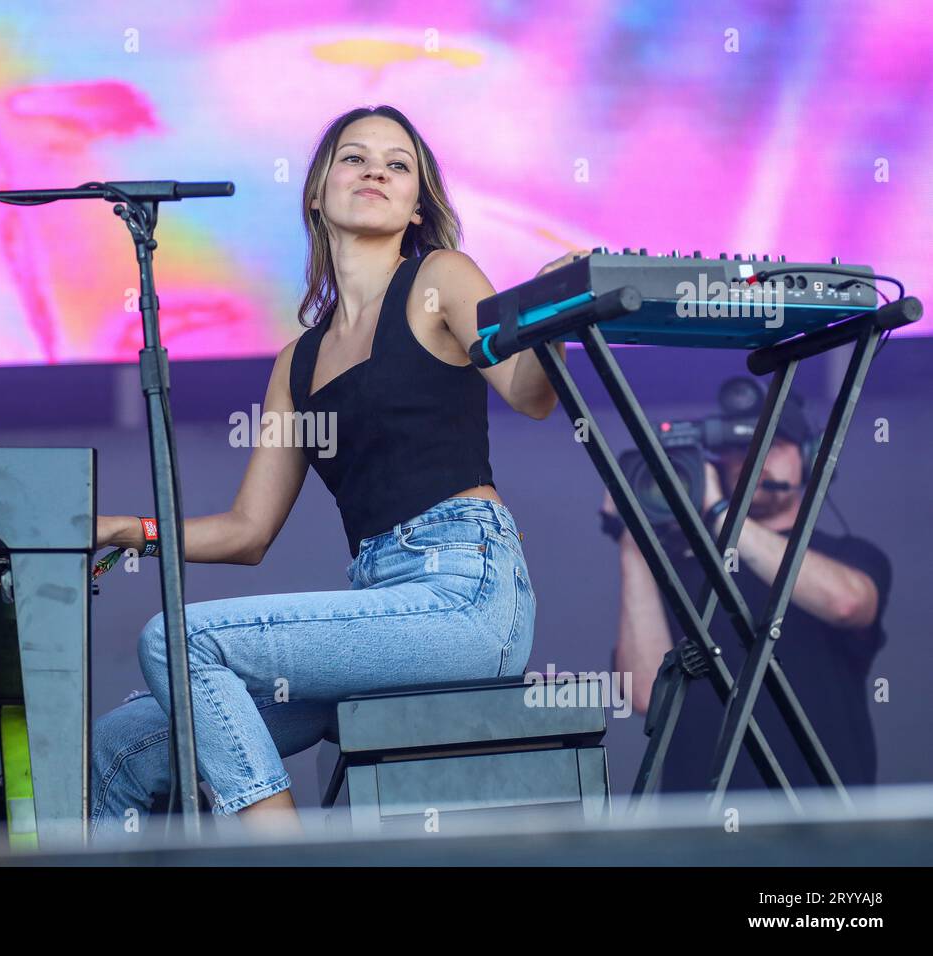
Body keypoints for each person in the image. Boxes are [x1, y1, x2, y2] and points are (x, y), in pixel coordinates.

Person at [88, 104, 579, 841]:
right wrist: (128, 529)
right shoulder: (299, 361)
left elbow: (530, 394)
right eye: (354, 157)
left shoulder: (439, 279)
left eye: (398, 163)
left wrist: (552, 308)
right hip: (378, 609)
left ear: (418, 206)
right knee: (122, 745)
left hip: (463, 592)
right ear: (316, 191)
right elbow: (247, 531)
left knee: (178, 640)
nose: (375, 170)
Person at [605, 391, 892, 794]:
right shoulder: (680, 571)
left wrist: (721, 512)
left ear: (808, 458)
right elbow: (643, 694)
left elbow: (847, 603)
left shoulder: (850, 555)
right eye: (737, 449)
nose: (751, 460)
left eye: (770, 445)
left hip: (825, 824)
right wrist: (632, 539)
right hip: (702, 832)